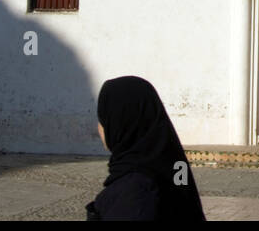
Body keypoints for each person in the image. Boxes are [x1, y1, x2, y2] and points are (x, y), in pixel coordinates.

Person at [86, 76, 206, 221]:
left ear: (119, 124)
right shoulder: (172, 165)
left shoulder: (135, 190)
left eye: (103, 119)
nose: (99, 128)